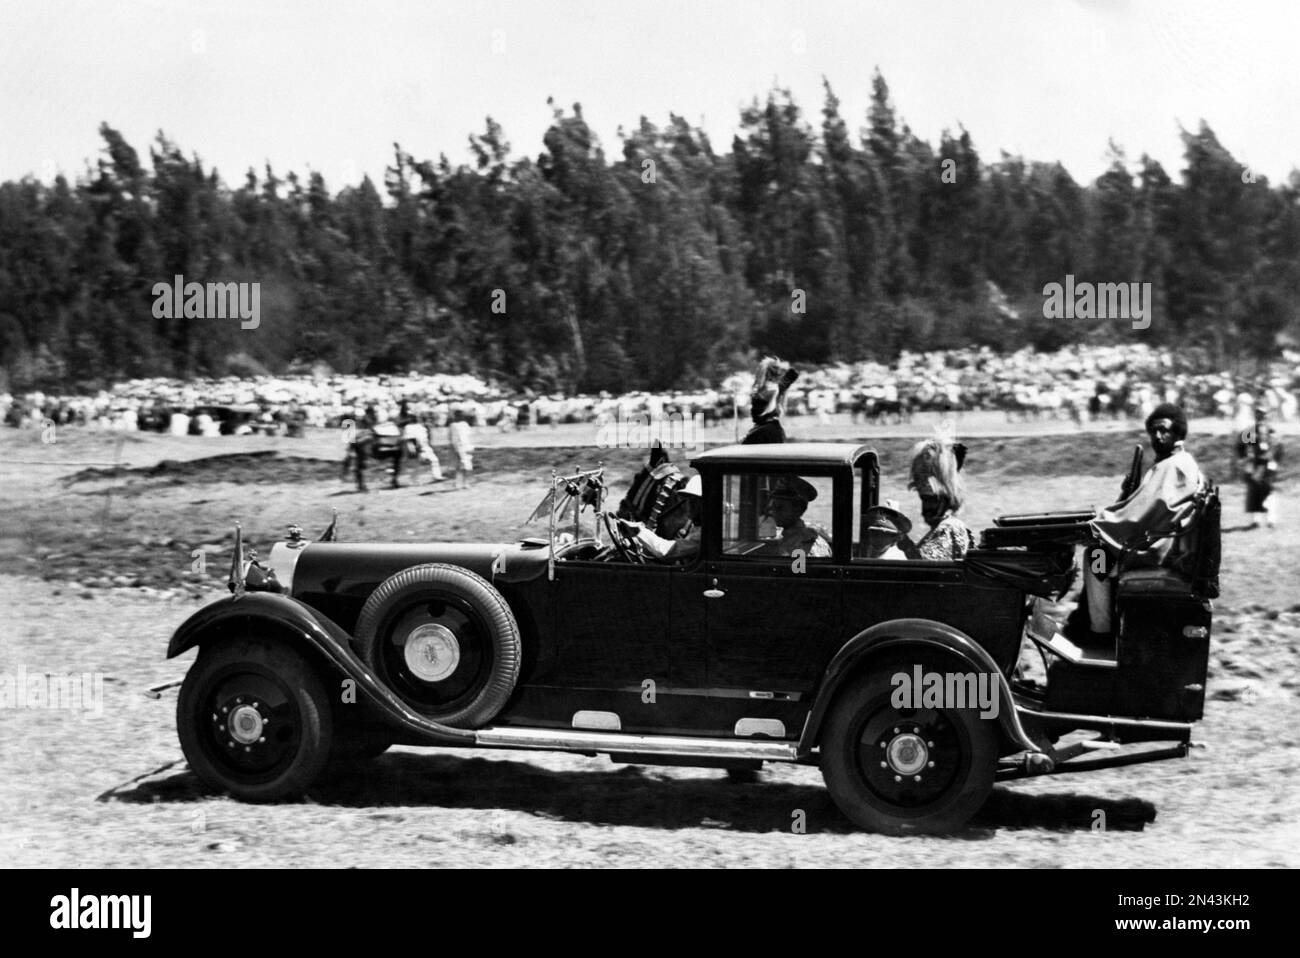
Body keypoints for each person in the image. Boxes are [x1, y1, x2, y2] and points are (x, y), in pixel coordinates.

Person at [1081, 402, 1206, 638]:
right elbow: (1143, 509)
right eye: (1153, 431)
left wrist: (1100, 522)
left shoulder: (1172, 467)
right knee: (1100, 552)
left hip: (1159, 553)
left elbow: (1141, 516)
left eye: (1164, 430)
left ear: (1178, 432)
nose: (1157, 436)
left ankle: (1100, 633)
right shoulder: (1177, 463)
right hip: (1166, 545)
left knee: (1095, 557)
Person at [908, 437, 975, 561]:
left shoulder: (949, 528)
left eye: (932, 500)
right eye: (924, 499)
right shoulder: (941, 527)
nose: (925, 509)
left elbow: (920, 567)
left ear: (947, 499)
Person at [617, 474, 703, 561]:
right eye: (687, 500)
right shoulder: (698, 527)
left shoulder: (703, 535)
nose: (688, 505)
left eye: (694, 501)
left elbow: (666, 551)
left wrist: (639, 531)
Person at [761, 476, 832, 557]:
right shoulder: (795, 538)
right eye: (772, 506)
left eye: (779, 507)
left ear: (797, 509)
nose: (772, 512)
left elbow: (798, 569)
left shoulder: (801, 547)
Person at [1236, 407, 1282, 529]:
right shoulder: (1249, 432)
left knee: (1268, 491)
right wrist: (1244, 459)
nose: (1261, 418)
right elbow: (1242, 447)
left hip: (1267, 466)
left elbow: (1277, 448)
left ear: (1267, 416)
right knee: (1253, 492)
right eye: (1258, 415)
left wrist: (1273, 461)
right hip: (1253, 466)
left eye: (1263, 415)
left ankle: (1271, 520)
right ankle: (1255, 521)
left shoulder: (1271, 432)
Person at [742, 357, 797, 444]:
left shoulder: (761, 389)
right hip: (771, 429)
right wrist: (781, 366)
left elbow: (791, 375)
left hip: (765, 429)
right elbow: (792, 374)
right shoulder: (776, 388)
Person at [449, 411, 475, 489]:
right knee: (460, 465)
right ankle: (460, 482)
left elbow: (467, 436)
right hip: (459, 446)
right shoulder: (454, 425)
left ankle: (464, 482)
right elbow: (452, 437)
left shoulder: (462, 425)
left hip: (463, 446)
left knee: (464, 465)